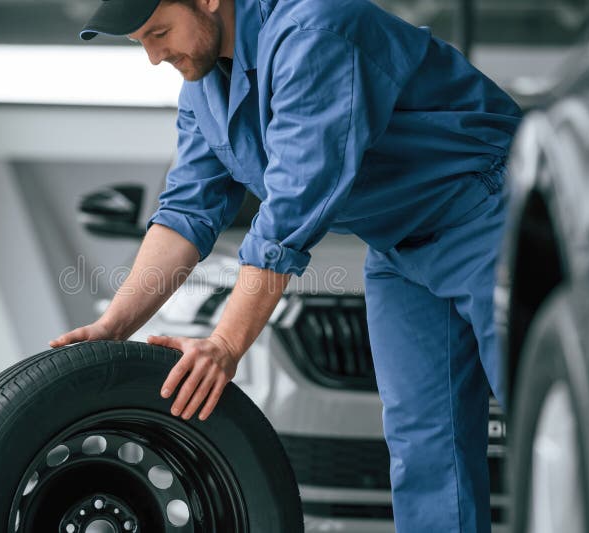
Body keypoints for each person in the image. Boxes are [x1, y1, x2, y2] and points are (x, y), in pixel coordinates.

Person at [49, 0, 521, 531]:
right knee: (425, 445)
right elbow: (186, 213)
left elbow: (291, 209)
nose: (155, 57)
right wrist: (115, 325)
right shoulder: (204, 88)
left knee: (541, 415)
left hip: (491, 214)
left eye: (159, 32)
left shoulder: (316, 30)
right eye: (142, 43)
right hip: (399, 246)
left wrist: (225, 344)